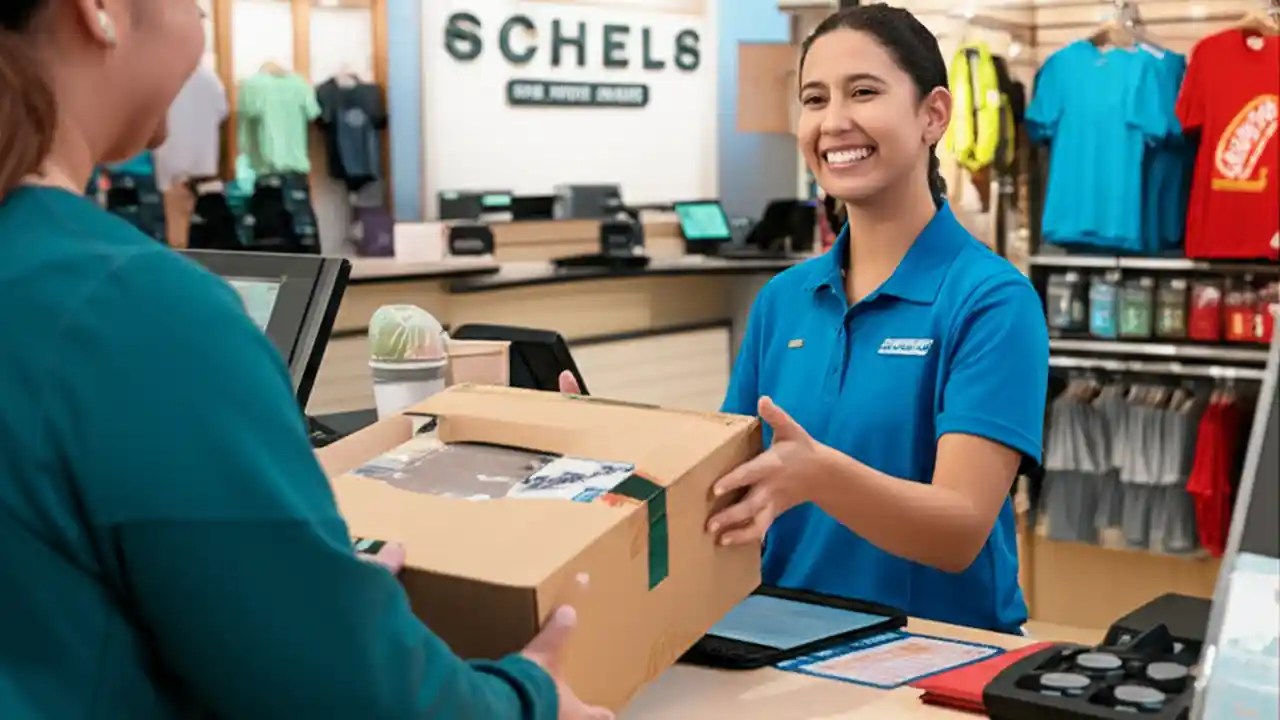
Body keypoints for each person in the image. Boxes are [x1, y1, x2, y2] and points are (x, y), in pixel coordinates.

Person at [0, 2, 610, 718]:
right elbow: (351, 699)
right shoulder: (133, 310)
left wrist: (302, 592)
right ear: (100, 11)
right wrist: (529, 697)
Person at [561, 6, 1048, 635]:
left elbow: (959, 530)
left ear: (934, 114)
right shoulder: (783, 299)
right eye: (813, 99)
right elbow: (727, 490)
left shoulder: (992, 301)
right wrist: (592, 451)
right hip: (777, 641)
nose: (833, 121)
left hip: (932, 657)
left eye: (864, 92)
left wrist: (818, 476)